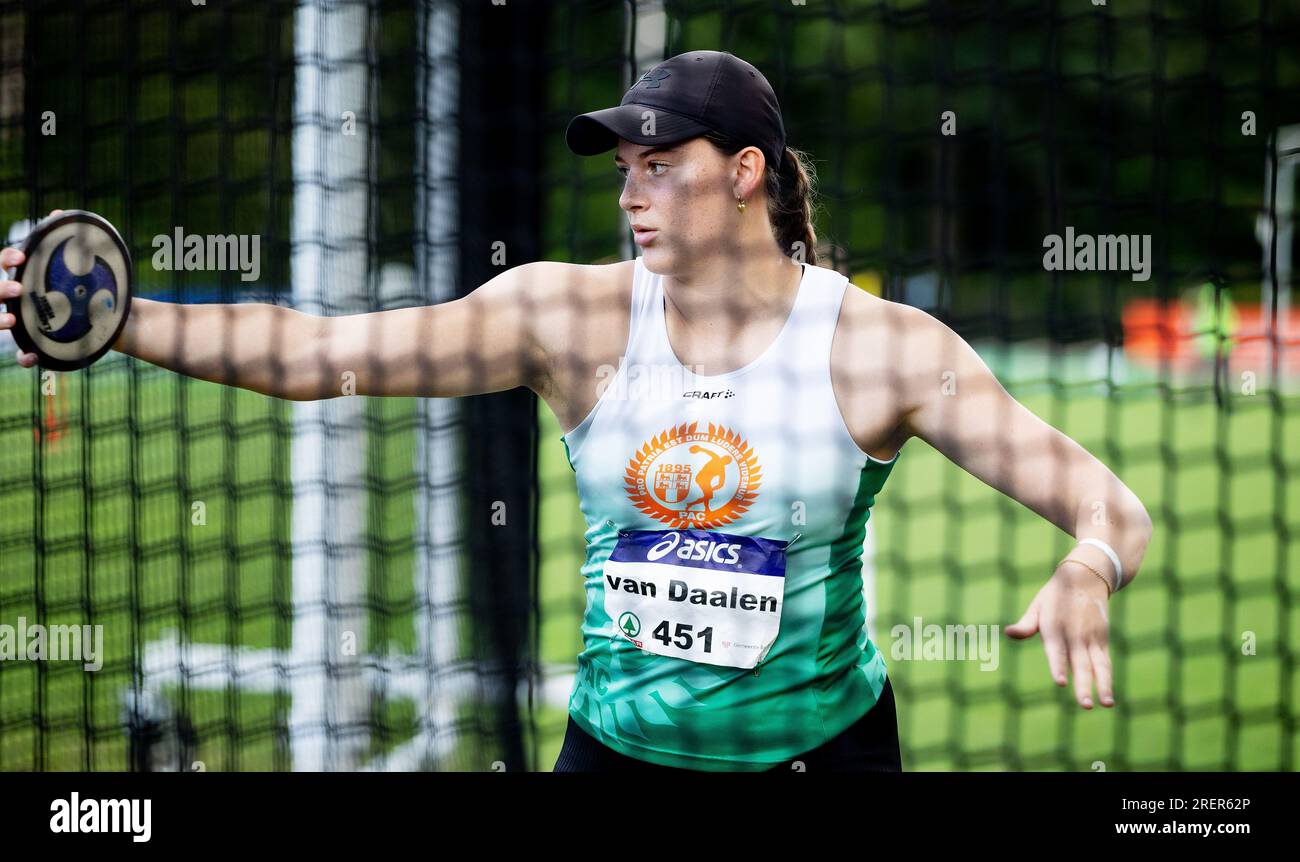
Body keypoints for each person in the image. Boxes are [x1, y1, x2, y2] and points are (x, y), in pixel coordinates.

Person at [0, 50, 1152, 773]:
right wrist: (121, 318)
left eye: (659, 162)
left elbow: (1105, 502)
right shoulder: (564, 318)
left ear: (746, 173)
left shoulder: (880, 349)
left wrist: (1089, 564)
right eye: (621, 168)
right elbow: (315, 353)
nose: (630, 188)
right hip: (611, 757)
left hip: (821, 754)